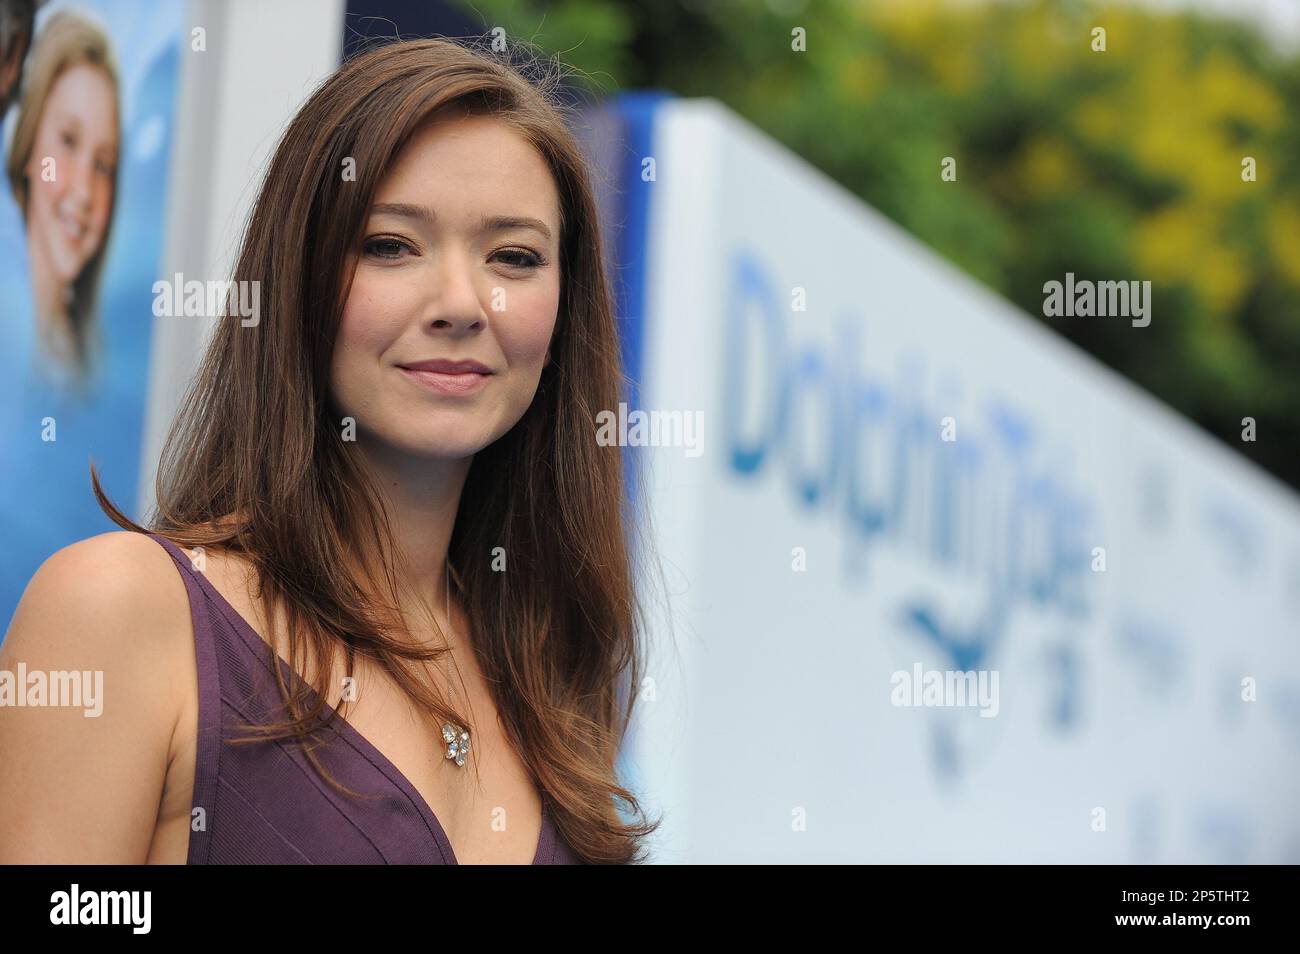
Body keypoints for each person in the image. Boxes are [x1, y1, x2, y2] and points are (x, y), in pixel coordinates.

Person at [0, 36, 658, 864]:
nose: (461, 302)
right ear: (298, 276)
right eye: (391, 245)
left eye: (514, 257)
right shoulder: (122, 611)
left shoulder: (550, 684)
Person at [4, 9, 119, 392]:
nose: (84, 192)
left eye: (103, 165)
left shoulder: (95, 368)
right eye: (68, 141)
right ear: (29, 146)